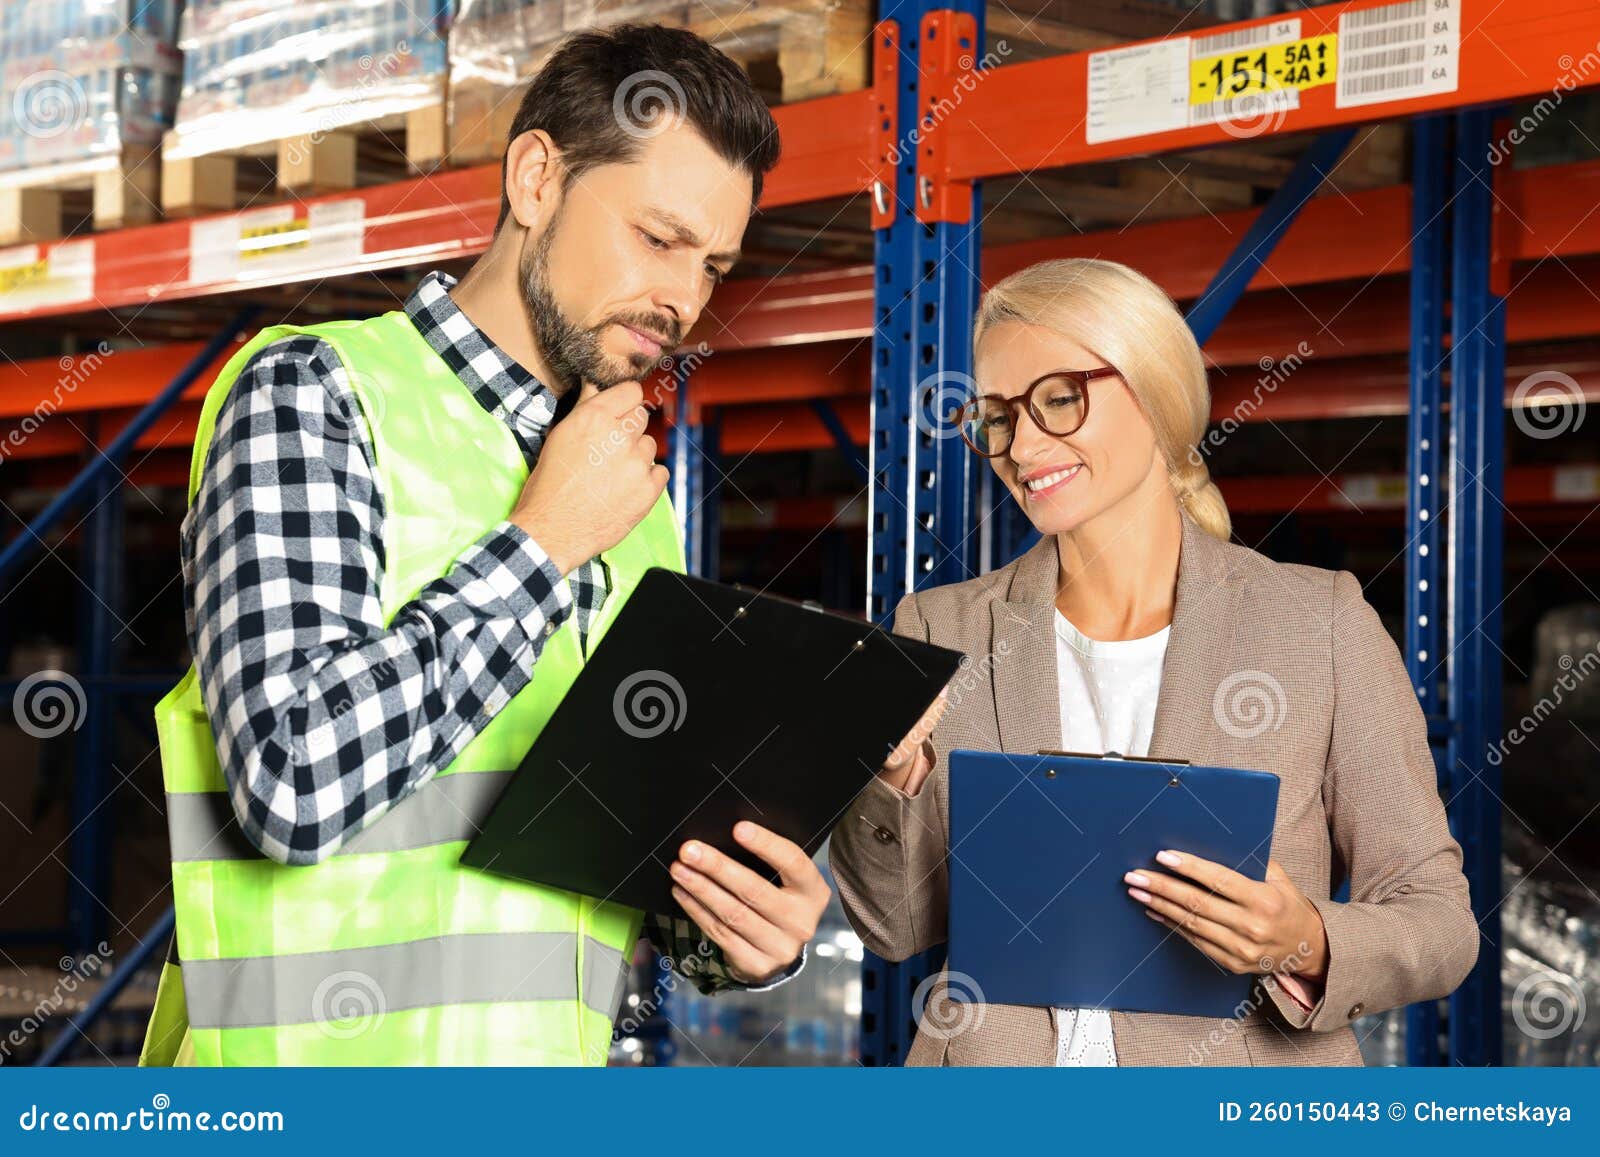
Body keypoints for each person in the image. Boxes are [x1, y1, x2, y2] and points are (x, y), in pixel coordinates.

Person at [140, 23, 830, 1067]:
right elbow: (290, 781)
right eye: (657, 238)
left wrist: (741, 936)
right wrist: (541, 543)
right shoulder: (316, 394)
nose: (685, 301)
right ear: (537, 178)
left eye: (714, 265)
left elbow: (613, 859)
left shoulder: (633, 498)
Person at [829, 258, 1479, 1066]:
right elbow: (895, 924)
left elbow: (1439, 918)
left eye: (1059, 398)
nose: (1022, 445)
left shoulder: (1319, 625)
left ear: (1154, 390)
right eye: (996, 416)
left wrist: (1305, 937)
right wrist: (887, 780)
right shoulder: (941, 625)